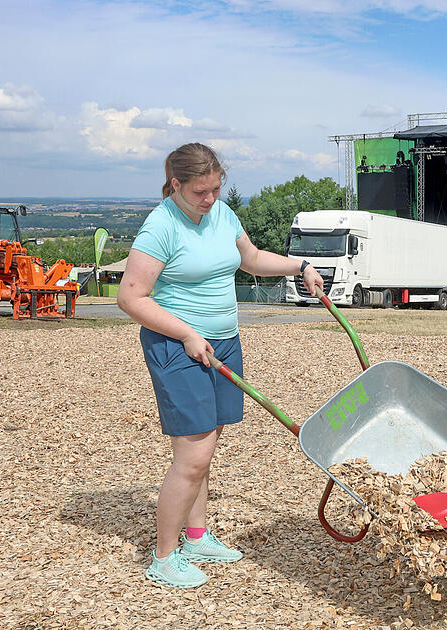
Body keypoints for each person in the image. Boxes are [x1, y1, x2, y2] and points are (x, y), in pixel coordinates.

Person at [118, 143, 324, 588]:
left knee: (206, 449)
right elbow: (130, 298)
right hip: (179, 347)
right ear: (176, 185)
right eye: (200, 192)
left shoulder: (222, 214)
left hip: (224, 344)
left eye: (215, 189)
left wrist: (300, 265)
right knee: (192, 457)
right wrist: (188, 334)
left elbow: (250, 260)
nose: (210, 199)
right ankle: (164, 557)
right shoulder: (160, 228)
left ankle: (196, 537)